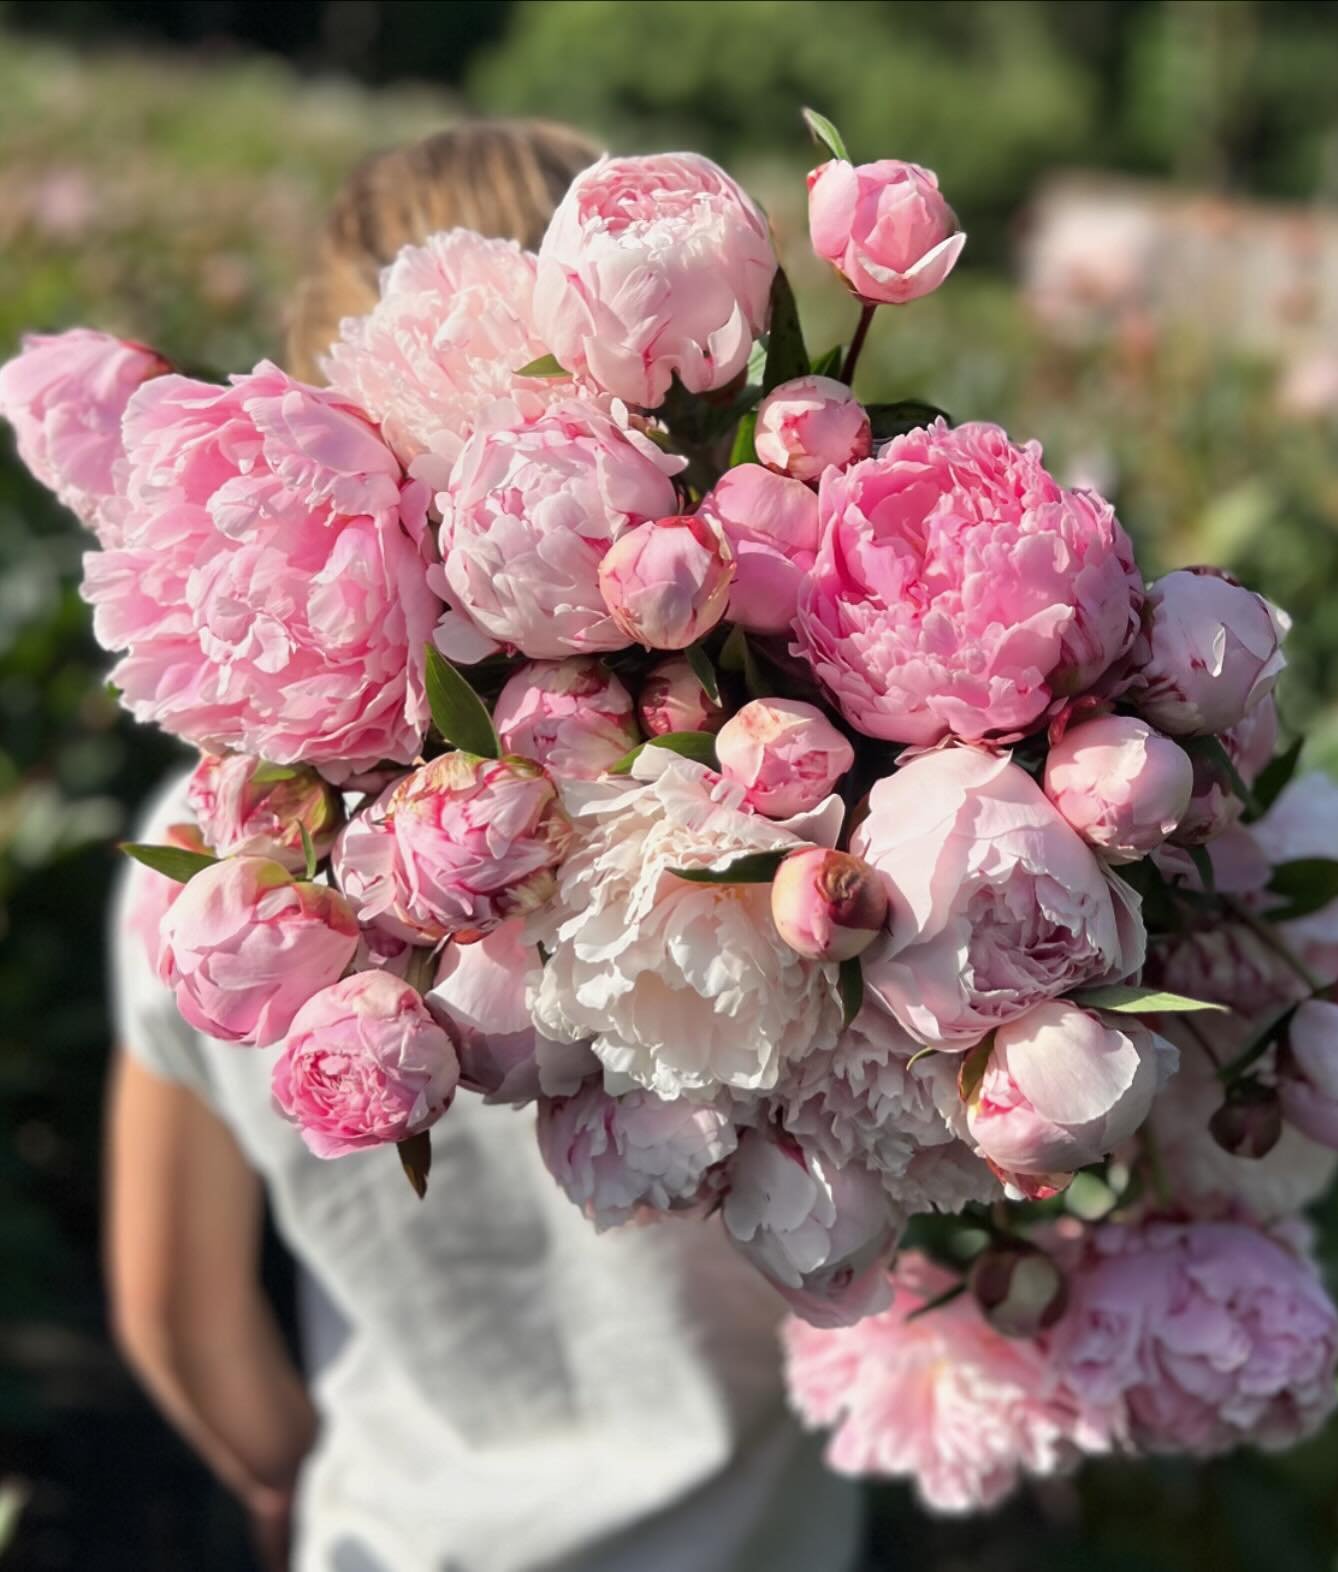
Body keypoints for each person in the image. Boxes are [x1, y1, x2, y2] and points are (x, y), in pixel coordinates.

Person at [104, 119, 863, 1572]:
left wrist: (288, 1477)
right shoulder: (782, 789)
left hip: (403, 1536)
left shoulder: (220, 848)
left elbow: (180, 1322)